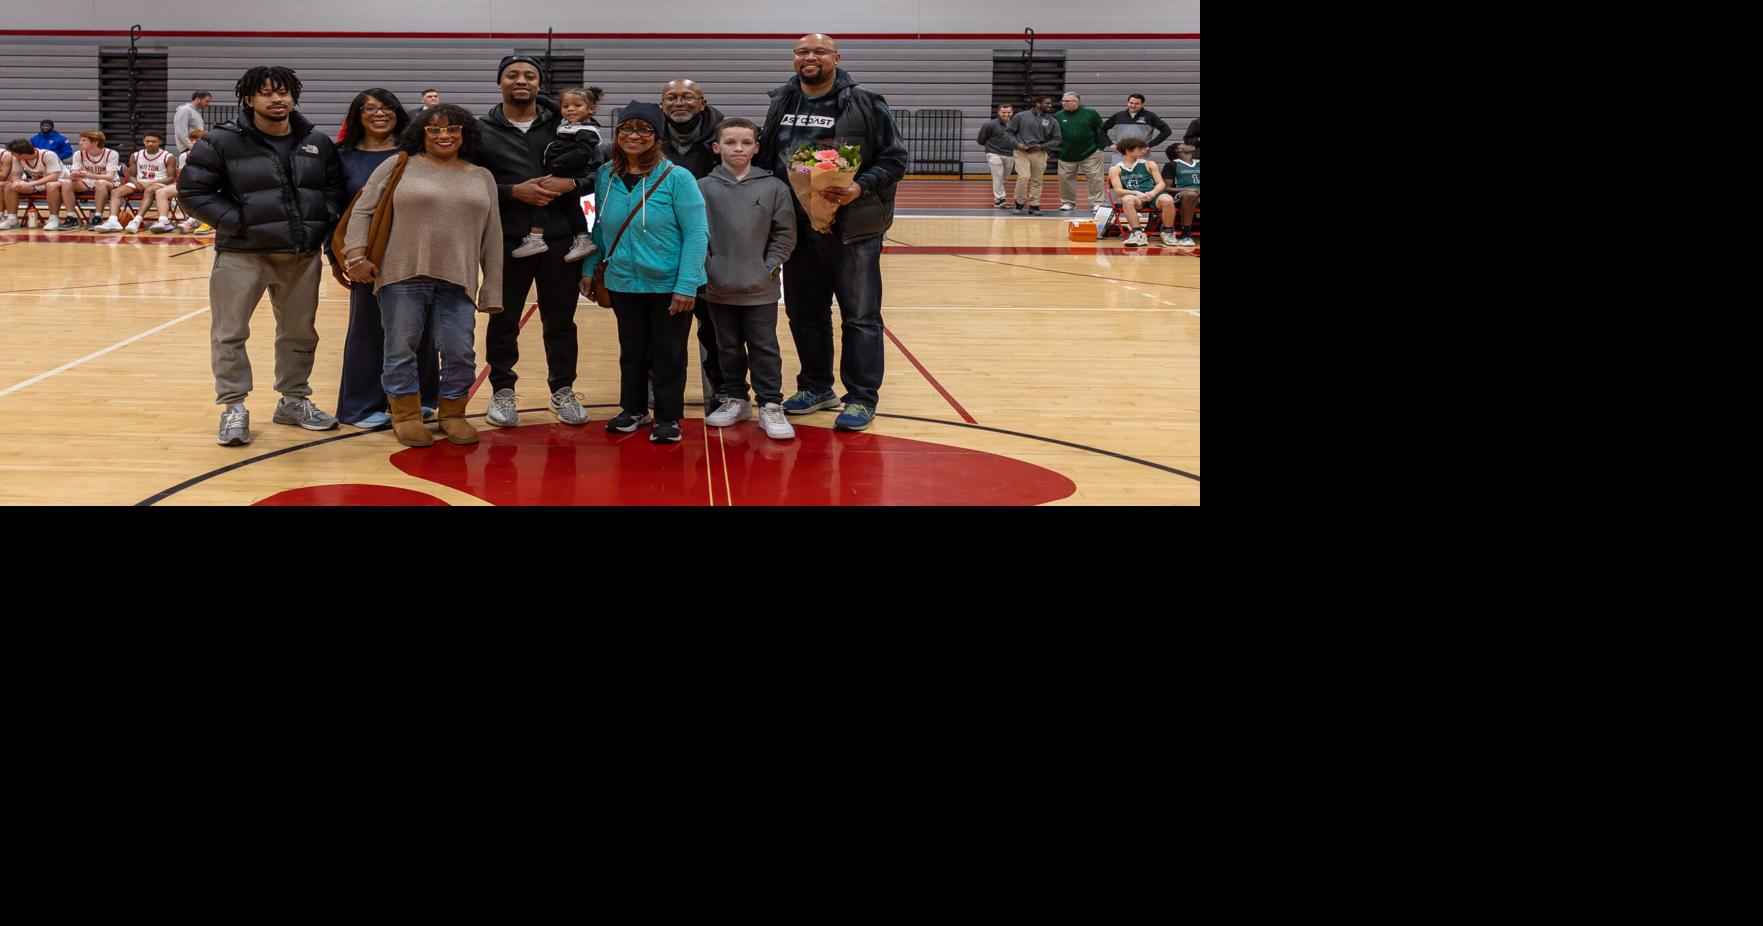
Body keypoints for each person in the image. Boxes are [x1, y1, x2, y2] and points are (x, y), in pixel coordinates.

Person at [177, 65, 346, 446]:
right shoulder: (222, 141)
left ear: (294, 97)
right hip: (242, 253)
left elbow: (334, 189)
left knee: (300, 333)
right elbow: (192, 192)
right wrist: (240, 223)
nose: (277, 99)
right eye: (267, 92)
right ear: (249, 98)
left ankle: (293, 400)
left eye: (284, 92)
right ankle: (234, 407)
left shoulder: (316, 140)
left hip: (300, 255)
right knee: (230, 333)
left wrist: (320, 222)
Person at [758, 33, 909, 432]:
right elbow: (770, 156)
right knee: (804, 313)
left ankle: (861, 397)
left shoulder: (864, 102)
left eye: (819, 51)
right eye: (802, 51)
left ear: (835, 58)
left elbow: (895, 159)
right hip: (795, 226)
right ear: (794, 58)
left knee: (860, 317)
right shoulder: (782, 101)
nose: (810, 57)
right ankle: (816, 387)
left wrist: (859, 186)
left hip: (852, 229)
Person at [342, 103, 503, 448]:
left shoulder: (481, 176)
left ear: (465, 134)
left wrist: (492, 288)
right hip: (401, 274)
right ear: (421, 134)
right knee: (401, 349)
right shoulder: (397, 165)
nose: (444, 135)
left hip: (459, 279)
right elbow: (363, 211)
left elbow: (493, 235)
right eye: (434, 130)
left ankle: (453, 413)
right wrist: (355, 255)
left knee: (461, 351)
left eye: (452, 129)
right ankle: (406, 415)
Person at [578, 102, 708, 444]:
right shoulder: (606, 174)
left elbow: (697, 233)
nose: (633, 135)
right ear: (617, 133)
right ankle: (633, 409)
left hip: (669, 284)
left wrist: (686, 285)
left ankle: (668, 417)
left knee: (669, 352)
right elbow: (602, 229)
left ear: (657, 136)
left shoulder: (677, 177)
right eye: (626, 129)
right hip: (623, 281)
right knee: (632, 348)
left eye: (643, 129)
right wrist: (590, 268)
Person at [477, 55, 594, 428]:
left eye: (530, 75)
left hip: (559, 239)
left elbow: (598, 172)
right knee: (504, 318)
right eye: (512, 74)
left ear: (539, 83)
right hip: (508, 240)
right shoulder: (481, 131)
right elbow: (467, 182)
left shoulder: (566, 126)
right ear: (500, 82)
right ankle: (502, 390)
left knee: (560, 320)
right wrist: (513, 192)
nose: (521, 80)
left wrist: (572, 184)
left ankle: (563, 390)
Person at [326, 88, 439, 428]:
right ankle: (360, 406)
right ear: (356, 115)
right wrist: (337, 257)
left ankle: (414, 399)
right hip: (366, 255)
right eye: (369, 108)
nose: (379, 113)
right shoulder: (341, 156)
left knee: (421, 327)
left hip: (416, 251)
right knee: (367, 329)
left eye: (386, 107)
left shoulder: (416, 154)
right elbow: (333, 209)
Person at [698, 117, 797, 440]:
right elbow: (696, 234)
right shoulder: (702, 187)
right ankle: (736, 398)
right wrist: (708, 267)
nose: (737, 148)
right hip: (718, 286)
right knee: (726, 346)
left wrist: (768, 266)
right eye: (730, 142)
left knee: (764, 346)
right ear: (716, 147)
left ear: (756, 148)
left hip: (760, 287)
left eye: (744, 143)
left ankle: (770, 404)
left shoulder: (774, 187)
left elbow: (785, 234)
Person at [658, 78, 730, 413]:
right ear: (662, 105)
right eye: (671, 97)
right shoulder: (648, 137)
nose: (679, 103)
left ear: (702, 102)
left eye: (688, 96)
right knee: (659, 327)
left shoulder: (724, 136)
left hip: (714, 247)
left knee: (715, 327)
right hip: (662, 249)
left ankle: (724, 389)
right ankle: (658, 389)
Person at [510, 86, 601, 263]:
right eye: (566, 106)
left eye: (577, 105)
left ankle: (536, 238)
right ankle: (583, 238)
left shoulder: (587, 131)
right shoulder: (568, 123)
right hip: (562, 171)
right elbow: (553, 106)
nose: (571, 109)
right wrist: (536, 96)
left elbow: (582, 153)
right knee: (572, 207)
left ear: (591, 109)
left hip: (566, 173)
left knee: (542, 199)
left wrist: (558, 166)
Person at [1107, 137, 1177, 248]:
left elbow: (1161, 183)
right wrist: (1136, 193)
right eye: (1139, 149)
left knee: (1168, 199)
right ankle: (1137, 233)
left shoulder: (1149, 164)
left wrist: (1153, 192)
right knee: (1126, 199)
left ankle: (1168, 232)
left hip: (1152, 194)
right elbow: (1118, 190)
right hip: (1135, 196)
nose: (1144, 151)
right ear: (1128, 150)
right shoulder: (1115, 169)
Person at [1053, 91, 1107, 212]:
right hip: (1066, 154)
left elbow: (1101, 130)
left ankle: (1097, 202)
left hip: (1091, 152)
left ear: (1076, 102)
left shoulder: (1090, 113)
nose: (1064, 103)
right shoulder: (1058, 116)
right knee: (1065, 179)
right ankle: (1068, 202)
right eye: (1063, 100)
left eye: (1067, 101)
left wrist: (1100, 147)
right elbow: (1053, 135)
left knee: (1095, 178)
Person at [56, 130, 122, 230]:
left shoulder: (111, 154)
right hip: (87, 181)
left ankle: (98, 217)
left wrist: (89, 175)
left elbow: (110, 177)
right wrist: (73, 176)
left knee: (100, 183)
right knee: (66, 183)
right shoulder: (78, 154)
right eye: (81, 140)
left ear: (95, 142)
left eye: (84, 140)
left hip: (108, 183)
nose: (80, 143)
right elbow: (74, 174)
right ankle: (71, 217)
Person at [1007, 96, 1060, 216]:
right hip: (1021, 152)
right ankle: (1019, 203)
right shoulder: (1021, 116)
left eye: (1050, 103)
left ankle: (1034, 205)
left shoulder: (1052, 121)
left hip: (1039, 152)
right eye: (1047, 103)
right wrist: (1017, 144)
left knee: (1037, 180)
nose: (1050, 106)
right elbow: (1009, 133)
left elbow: (1057, 139)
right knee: (1024, 177)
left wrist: (1042, 147)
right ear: (1037, 103)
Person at [116, 131, 178, 233]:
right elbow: (131, 175)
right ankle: (112, 220)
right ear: (143, 142)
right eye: (147, 141)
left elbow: (171, 178)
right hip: (139, 183)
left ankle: (136, 220)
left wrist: (151, 183)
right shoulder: (135, 155)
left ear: (160, 142)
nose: (150, 144)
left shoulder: (168, 156)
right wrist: (136, 183)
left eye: (153, 141)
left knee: (149, 190)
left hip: (159, 183)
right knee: (116, 192)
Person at [0, 138, 65, 230]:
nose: (11, 155)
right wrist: (17, 182)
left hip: (60, 181)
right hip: (38, 183)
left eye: (13, 153)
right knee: (9, 186)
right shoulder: (17, 158)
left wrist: (30, 184)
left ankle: (54, 219)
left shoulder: (48, 155)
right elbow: (16, 175)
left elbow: (53, 176)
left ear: (22, 154)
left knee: (51, 185)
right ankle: (12, 219)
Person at [1102, 93, 1173, 170]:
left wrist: (1150, 145)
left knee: (1141, 176)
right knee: (1117, 175)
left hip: (1141, 153)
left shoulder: (1150, 116)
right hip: (1121, 153)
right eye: (1131, 103)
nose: (1133, 105)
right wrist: (1110, 144)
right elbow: (1101, 129)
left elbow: (1167, 131)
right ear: (1127, 102)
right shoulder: (1118, 116)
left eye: (1136, 104)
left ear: (1142, 104)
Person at [976, 104, 1016, 208]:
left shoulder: (1016, 124)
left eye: (1008, 112)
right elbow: (981, 140)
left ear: (1012, 112)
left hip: (1010, 154)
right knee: (998, 176)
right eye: (1003, 112)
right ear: (998, 112)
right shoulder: (989, 125)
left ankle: (1001, 199)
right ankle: (1000, 200)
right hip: (994, 153)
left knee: (1004, 178)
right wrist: (991, 148)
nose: (1006, 114)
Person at [1166, 142, 1200, 246]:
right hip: (1181, 196)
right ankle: (1185, 234)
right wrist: (1190, 189)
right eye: (1185, 144)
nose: (1190, 144)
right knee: (1191, 195)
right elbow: (1167, 188)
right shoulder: (1172, 164)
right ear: (1179, 150)